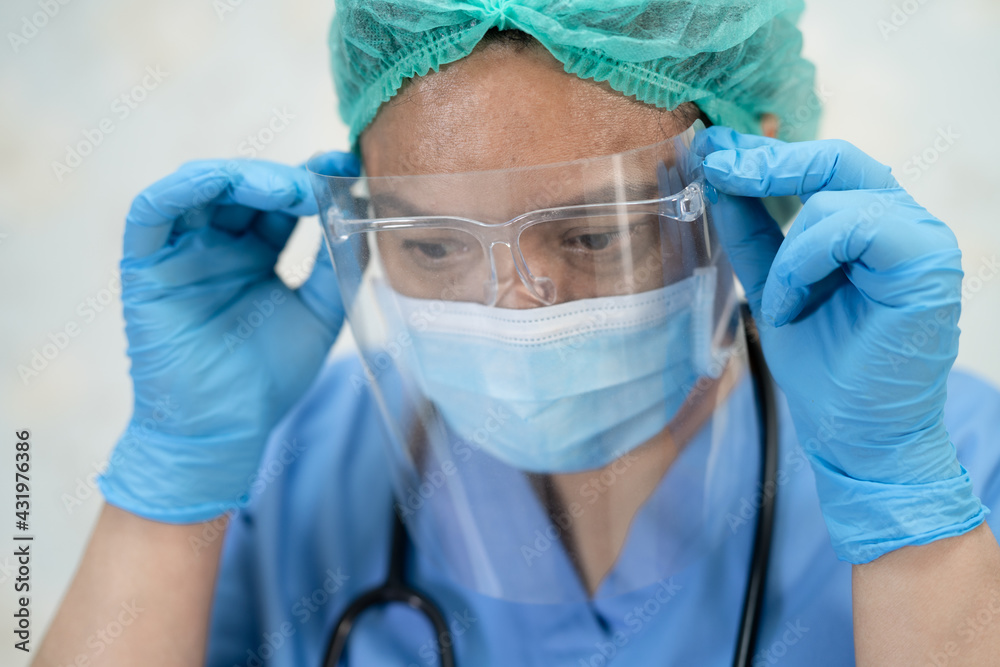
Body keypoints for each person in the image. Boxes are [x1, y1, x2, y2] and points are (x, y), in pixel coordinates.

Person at [36, 1, 1000, 665]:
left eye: (596, 234)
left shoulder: (946, 459)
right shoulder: (291, 467)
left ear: (751, 174)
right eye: (434, 243)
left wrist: (906, 518)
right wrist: (170, 481)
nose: (517, 306)